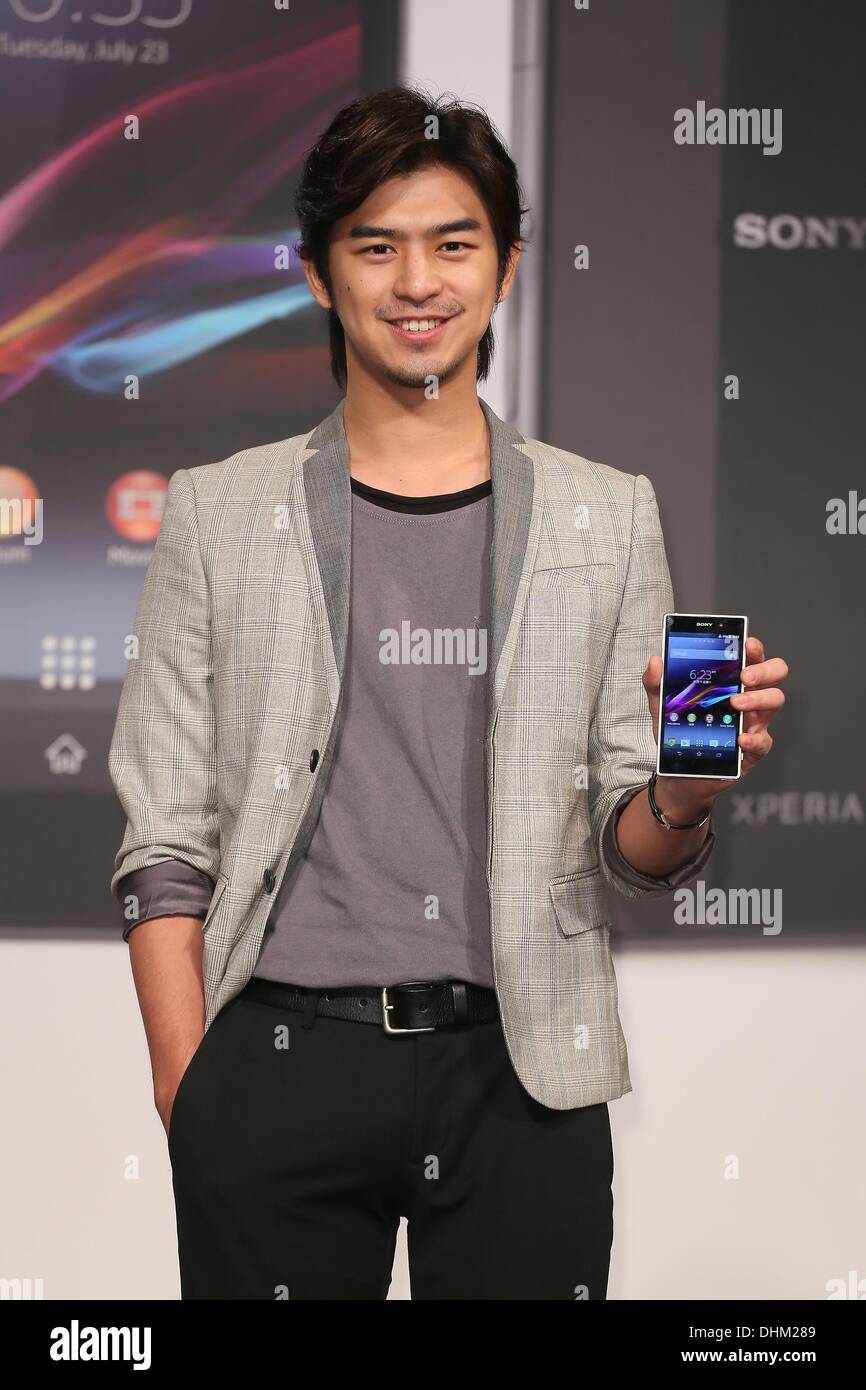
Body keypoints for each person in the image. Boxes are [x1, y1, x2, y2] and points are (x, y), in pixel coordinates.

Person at [108, 85, 788, 1300]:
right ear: (321, 275)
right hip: (276, 1058)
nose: (416, 279)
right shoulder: (216, 510)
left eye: (451, 242)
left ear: (506, 265)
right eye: (375, 245)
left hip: (519, 1074)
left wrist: (680, 789)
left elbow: (633, 850)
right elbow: (164, 837)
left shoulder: (604, 511)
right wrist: (188, 1084)